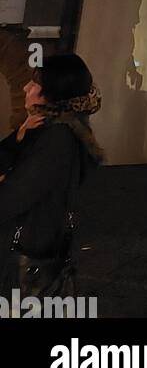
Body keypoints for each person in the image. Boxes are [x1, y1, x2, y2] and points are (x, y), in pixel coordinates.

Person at [0, 54, 104, 296]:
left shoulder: (57, 139)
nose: (26, 87)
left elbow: (14, 195)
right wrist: (18, 137)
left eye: (35, 83)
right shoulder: (41, 128)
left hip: (26, 250)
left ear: (52, 94)